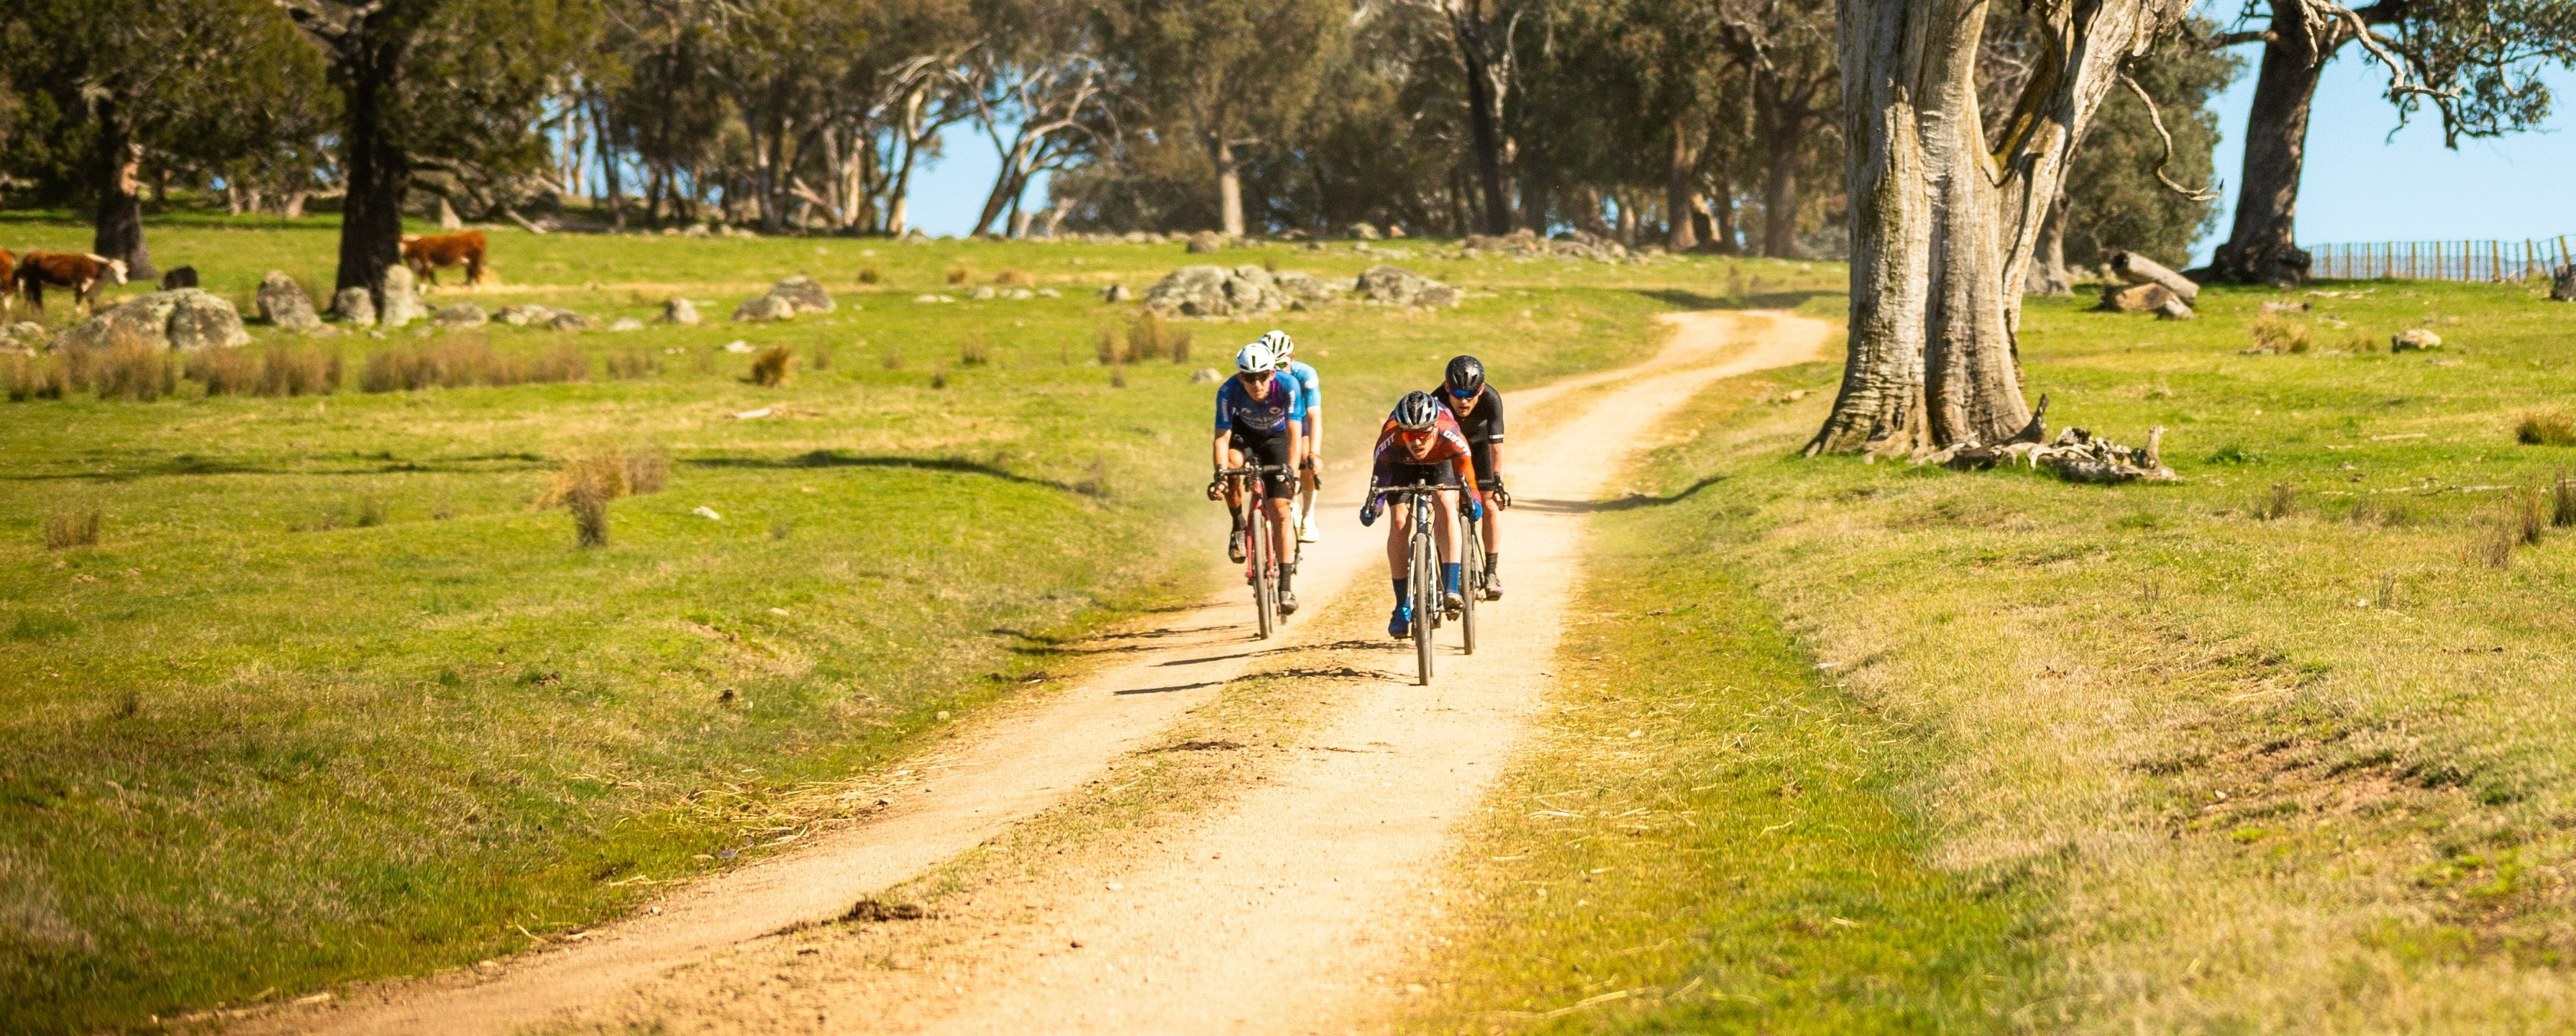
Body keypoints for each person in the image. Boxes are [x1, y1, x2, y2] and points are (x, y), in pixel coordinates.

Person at [1359, 391, 1485, 639]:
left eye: (1423, 434)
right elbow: (1379, 483)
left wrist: (1475, 502)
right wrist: (1374, 506)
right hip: (1401, 465)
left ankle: (1451, 588)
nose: (1416, 442)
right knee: (1398, 521)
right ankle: (1402, 606)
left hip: (1441, 462)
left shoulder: (1451, 434)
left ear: (1435, 427)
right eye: (1409, 435)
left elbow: (1468, 480)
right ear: (1401, 431)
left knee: (1446, 502)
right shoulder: (1390, 437)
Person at [1210, 340, 1307, 614]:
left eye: (1263, 376)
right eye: (1250, 378)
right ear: (1241, 377)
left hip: (1277, 439)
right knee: (1231, 464)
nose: (1257, 384)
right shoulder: (1228, 390)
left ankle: (1286, 586)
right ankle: (1238, 524)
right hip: (1245, 435)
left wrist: (1291, 470)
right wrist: (1220, 476)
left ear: (1272, 373)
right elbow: (1221, 438)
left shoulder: (1288, 386)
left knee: (1280, 510)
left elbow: (1294, 434)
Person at [1436, 355, 1507, 600]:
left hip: (1478, 448)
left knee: (1489, 506)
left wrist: (1498, 482)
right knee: (1445, 505)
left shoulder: (1491, 400)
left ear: (1482, 389)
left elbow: (1496, 448)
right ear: (1447, 388)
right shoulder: (1436, 401)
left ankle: (1490, 573)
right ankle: (1446, 571)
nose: (1464, 400)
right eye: (1457, 393)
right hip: (1448, 452)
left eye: (1471, 393)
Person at [1261, 330, 1324, 545]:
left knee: (1305, 457)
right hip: (1269, 420)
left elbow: (1314, 416)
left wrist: (1315, 453)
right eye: (1271, 367)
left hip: (1298, 416)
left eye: (1281, 365)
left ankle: (1308, 515)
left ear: (1292, 359)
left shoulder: (1305, 375)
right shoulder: (1257, 377)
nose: (1276, 372)